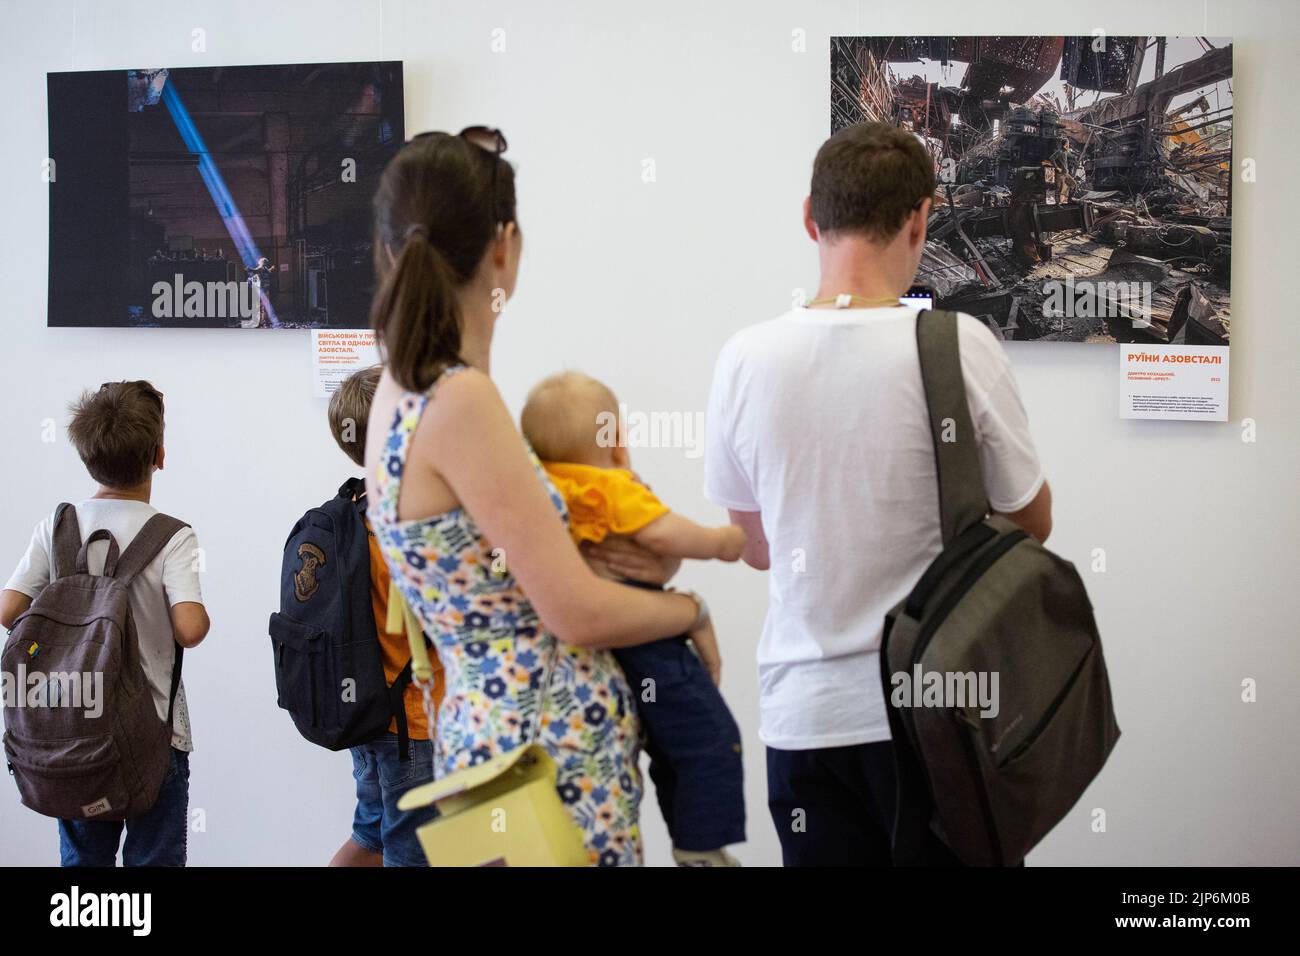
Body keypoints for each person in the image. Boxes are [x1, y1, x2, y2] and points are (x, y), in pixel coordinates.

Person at [363, 128, 718, 867]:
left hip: (490, 742)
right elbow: (575, 613)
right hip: (542, 760)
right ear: (505, 246)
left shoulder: (398, 393)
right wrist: (692, 612)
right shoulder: (463, 401)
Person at [703, 121, 1052, 867]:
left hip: (807, 721)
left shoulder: (744, 359)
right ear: (920, 218)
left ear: (809, 218)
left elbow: (756, 549)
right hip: (942, 718)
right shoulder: (959, 346)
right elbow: (1033, 520)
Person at [520, 370, 747, 866]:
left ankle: (694, 843)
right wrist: (723, 543)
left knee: (671, 742)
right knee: (710, 735)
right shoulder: (610, 485)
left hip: (601, 653)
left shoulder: (544, 491)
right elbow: (666, 535)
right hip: (645, 633)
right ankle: (699, 845)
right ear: (617, 444)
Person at [0, 380, 210, 866]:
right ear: (159, 455)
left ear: (86, 456)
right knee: (155, 856)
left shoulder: (57, 525)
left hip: (72, 729)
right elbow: (190, 630)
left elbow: (9, 611)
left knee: (82, 861)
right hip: (154, 735)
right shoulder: (173, 537)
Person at [324, 366, 443, 868]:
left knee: (371, 835)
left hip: (367, 717)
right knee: (409, 852)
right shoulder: (409, 526)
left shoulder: (351, 510)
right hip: (410, 724)